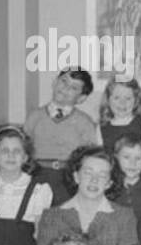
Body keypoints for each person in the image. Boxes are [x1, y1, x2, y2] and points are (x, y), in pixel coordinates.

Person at [33, 145, 138, 245]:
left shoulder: (124, 217)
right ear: (76, 176)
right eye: (88, 173)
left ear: (109, 183)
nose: (94, 180)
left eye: (102, 175)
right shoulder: (52, 217)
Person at [24, 69, 97, 205]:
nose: (65, 88)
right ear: (54, 82)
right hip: (37, 176)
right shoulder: (35, 116)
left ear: (81, 98)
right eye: (63, 81)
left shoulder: (85, 122)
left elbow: (89, 157)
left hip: (68, 179)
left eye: (73, 88)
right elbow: (24, 149)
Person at [98, 79, 141, 162]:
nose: (122, 103)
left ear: (136, 101)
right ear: (108, 100)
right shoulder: (101, 128)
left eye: (128, 98)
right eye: (116, 98)